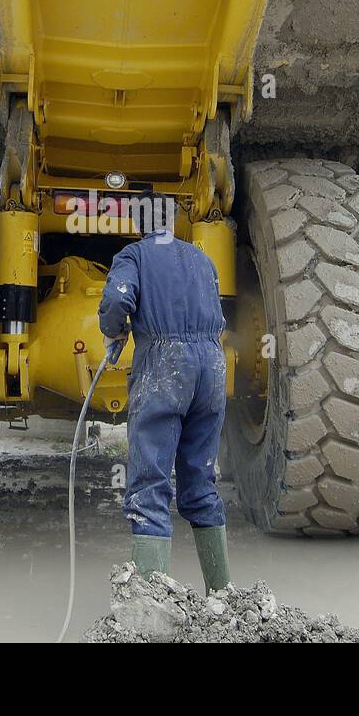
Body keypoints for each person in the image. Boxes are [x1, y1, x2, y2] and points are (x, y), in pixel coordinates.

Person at [97, 190, 231, 592]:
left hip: (164, 365)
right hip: (212, 367)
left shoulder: (133, 256)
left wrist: (115, 332)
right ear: (172, 221)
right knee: (201, 481)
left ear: (139, 223)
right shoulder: (202, 259)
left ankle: (150, 602)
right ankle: (222, 595)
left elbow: (116, 302)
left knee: (149, 484)